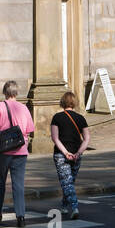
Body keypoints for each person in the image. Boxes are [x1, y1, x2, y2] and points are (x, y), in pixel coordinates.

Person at [0, 81, 36, 226]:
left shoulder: (0, 107)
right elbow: (29, 130)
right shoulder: (24, 108)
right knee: (18, 185)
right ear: (16, 93)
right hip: (20, 150)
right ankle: (21, 216)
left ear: (5, 92)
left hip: (2, 151)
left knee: (0, 181)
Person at [50, 91, 90, 220]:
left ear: (62, 102)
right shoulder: (81, 118)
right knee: (69, 181)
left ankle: (74, 207)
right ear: (74, 103)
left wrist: (65, 152)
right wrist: (78, 153)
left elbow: (55, 138)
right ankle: (64, 205)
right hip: (76, 155)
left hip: (61, 155)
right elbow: (86, 139)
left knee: (67, 182)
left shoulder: (57, 117)